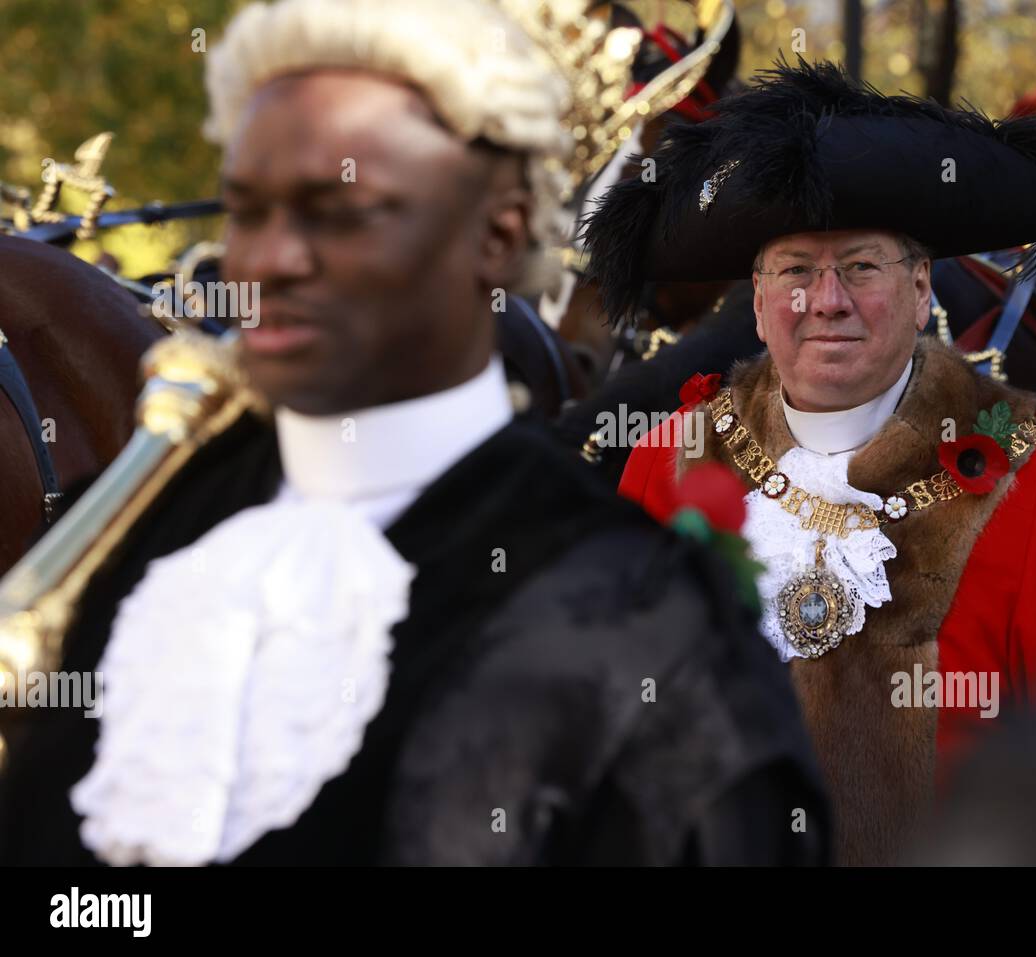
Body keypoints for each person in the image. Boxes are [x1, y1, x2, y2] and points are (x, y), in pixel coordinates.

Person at [0, 0, 829, 866]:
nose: (273, 259)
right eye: (250, 207)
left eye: (342, 208)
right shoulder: (130, 544)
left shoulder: (654, 623)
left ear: (497, 235)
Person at [584, 58, 1036, 864]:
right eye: (796, 271)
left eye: (861, 267)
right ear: (756, 298)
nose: (827, 300)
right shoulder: (669, 460)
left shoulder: (1034, 475)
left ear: (922, 290)